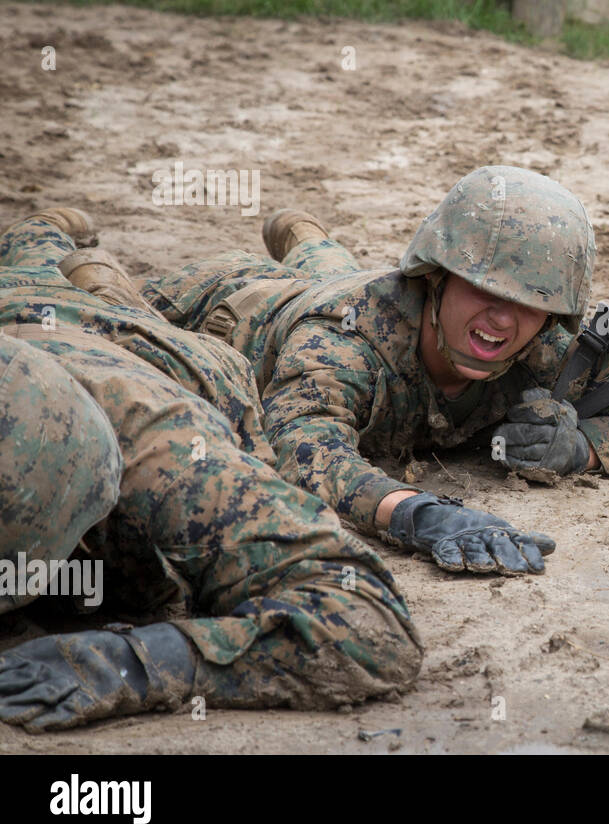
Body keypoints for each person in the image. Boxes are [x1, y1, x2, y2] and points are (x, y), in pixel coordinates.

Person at [0, 211, 433, 732]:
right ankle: (54, 239)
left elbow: (367, 624)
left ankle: (75, 252)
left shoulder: (171, 456)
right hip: (26, 308)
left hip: (147, 348)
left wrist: (147, 660)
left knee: (327, 289)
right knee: (37, 261)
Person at [125, 165, 609, 556]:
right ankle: (49, 240)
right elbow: (302, 451)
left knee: (331, 270)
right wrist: (416, 514)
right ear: (438, 278)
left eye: (527, 302)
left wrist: (584, 448)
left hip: (341, 285)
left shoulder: (549, 347)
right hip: (227, 306)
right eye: (484, 290)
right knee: (106, 309)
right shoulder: (341, 343)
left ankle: (305, 235)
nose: (503, 318)